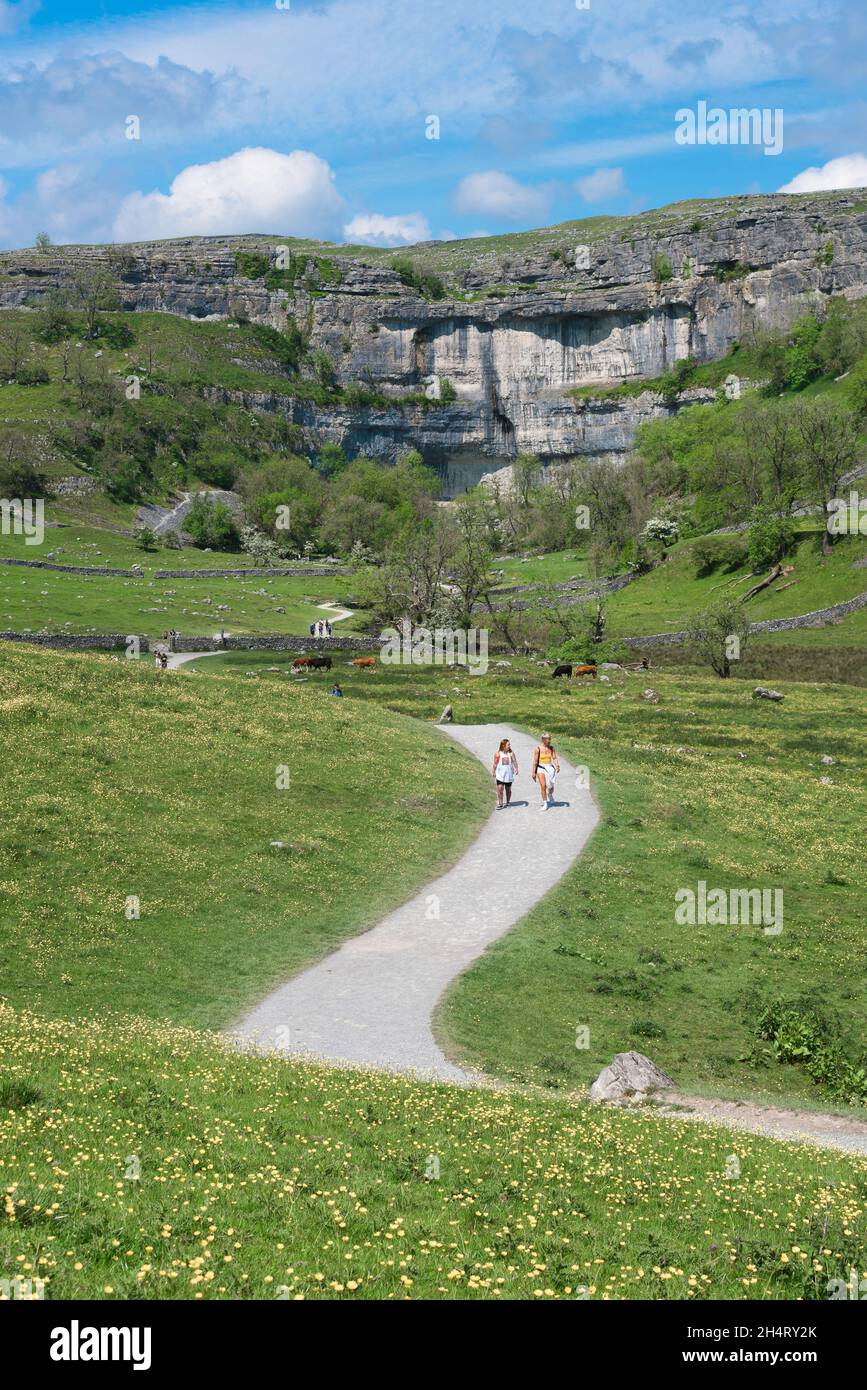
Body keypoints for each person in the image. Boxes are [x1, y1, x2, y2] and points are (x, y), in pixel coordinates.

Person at [531, 732, 560, 810]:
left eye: (550, 739)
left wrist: (557, 765)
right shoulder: (538, 749)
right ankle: (545, 803)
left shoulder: (551, 748)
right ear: (543, 739)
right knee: (543, 785)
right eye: (548, 739)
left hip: (549, 768)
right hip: (540, 768)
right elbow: (535, 761)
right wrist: (533, 772)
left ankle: (550, 795)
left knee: (551, 786)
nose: (549, 740)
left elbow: (554, 758)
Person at [491, 737, 518, 808]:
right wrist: (493, 771)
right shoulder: (498, 754)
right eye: (508, 745)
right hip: (500, 775)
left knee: (508, 790)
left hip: (508, 775)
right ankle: (500, 803)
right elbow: (495, 763)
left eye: (509, 745)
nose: (509, 746)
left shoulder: (511, 754)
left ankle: (508, 802)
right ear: (503, 745)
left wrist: (516, 768)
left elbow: (514, 761)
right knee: (500, 788)